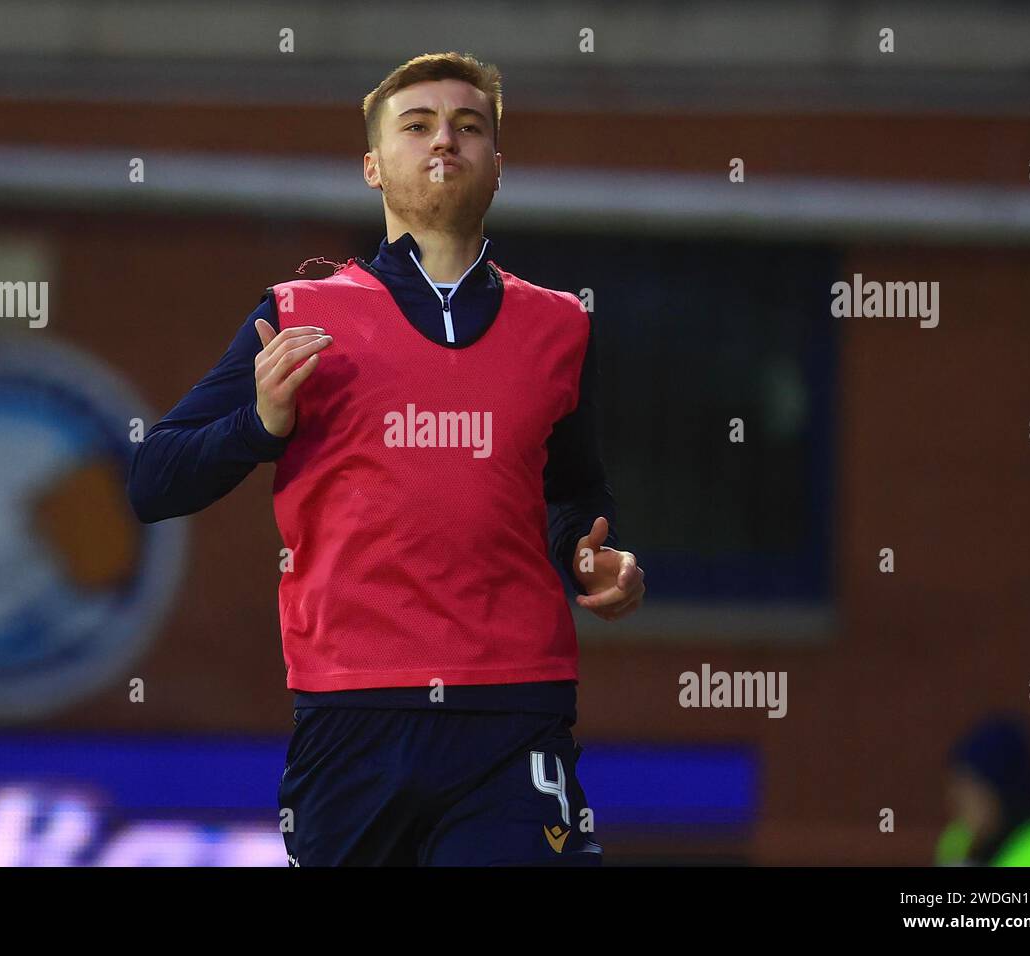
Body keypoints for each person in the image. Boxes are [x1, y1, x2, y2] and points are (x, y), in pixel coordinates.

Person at [127, 51, 645, 865]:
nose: (446, 141)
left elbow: (570, 493)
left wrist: (588, 556)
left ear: (498, 167)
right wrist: (260, 424)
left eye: (469, 127)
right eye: (418, 125)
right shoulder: (300, 314)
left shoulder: (561, 327)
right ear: (373, 165)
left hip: (513, 716)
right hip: (349, 718)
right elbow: (151, 481)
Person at [936, 714, 1030, 866]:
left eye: (971, 790)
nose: (958, 803)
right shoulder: (957, 842)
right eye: (957, 789)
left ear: (1002, 794)